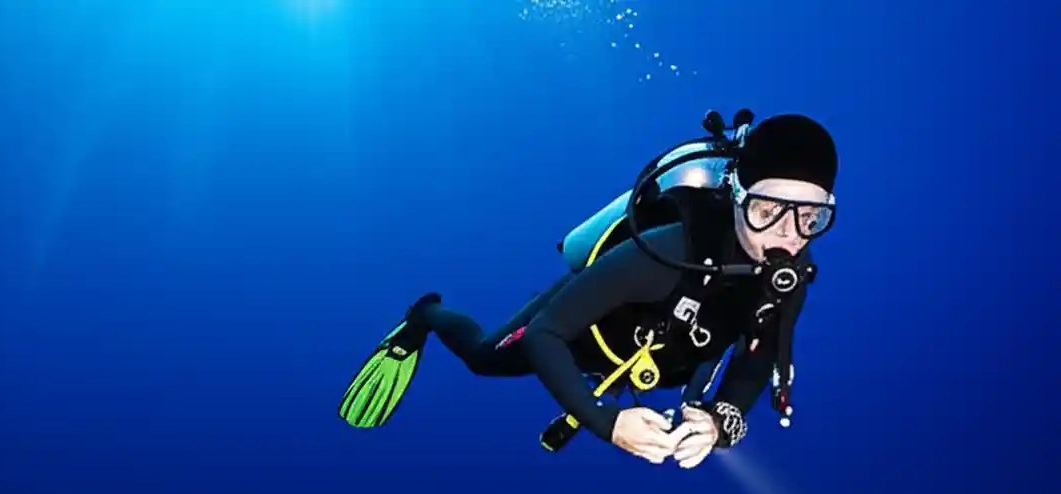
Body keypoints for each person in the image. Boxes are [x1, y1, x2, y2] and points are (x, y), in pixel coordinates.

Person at [337, 109, 838, 469]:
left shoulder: (789, 277)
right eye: (767, 210)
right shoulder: (666, 249)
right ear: (736, 195)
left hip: (664, 362)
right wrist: (606, 422)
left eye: (810, 218)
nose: (787, 236)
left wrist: (719, 423)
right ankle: (425, 315)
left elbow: (758, 356)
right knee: (483, 359)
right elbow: (547, 332)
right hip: (580, 332)